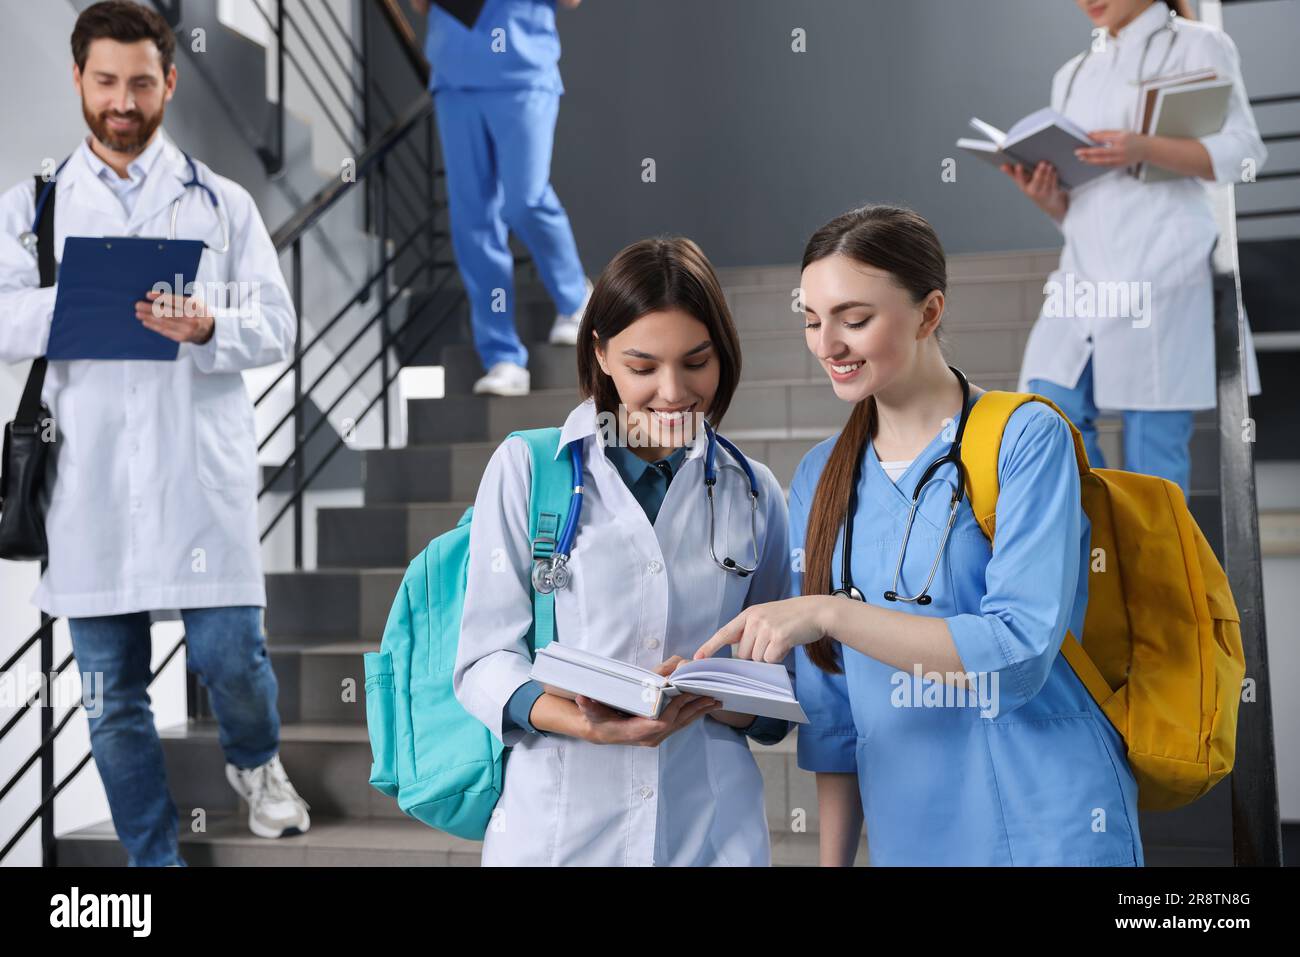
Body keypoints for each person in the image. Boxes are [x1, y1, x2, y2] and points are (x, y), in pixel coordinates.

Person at [696, 205, 1144, 866]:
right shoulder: (823, 474)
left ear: (930, 312)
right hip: (912, 832)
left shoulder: (1026, 437)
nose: (828, 345)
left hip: (1049, 822)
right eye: (813, 321)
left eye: (854, 319)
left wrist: (829, 611)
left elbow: (1015, 655)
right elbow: (833, 708)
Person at [0, 1, 308, 866]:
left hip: (195, 478)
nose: (123, 100)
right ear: (79, 81)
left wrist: (210, 323)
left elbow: (277, 324)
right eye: (106, 81)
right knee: (111, 694)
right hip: (88, 487)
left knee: (231, 655)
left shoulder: (222, 203)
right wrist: (82, 305)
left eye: (141, 81)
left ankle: (256, 762)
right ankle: (153, 856)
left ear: (169, 81)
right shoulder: (32, 206)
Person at [454, 237, 791, 865]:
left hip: (711, 832)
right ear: (600, 353)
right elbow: (483, 662)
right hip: (561, 830)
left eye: (697, 361)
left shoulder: (754, 493)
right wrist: (586, 722)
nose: (673, 392)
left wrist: (723, 699)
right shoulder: (529, 469)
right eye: (643, 367)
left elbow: (778, 697)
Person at [1007, 0, 1267, 498]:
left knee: (1155, 454)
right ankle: (1108, 547)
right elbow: (1083, 204)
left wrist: (1145, 148)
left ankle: (1159, 575)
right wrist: (1048, 198)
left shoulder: (1198, 44)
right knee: (1048, 413)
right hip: (1082, 271)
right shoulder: (1074, 73)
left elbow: (1245, 153)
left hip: (1162, 268)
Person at [412, 0, 592, 397]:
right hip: (456, 76)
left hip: (522, 71)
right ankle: (503, 357)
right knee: (472, 223)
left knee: (524, 200)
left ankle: (575, 296)